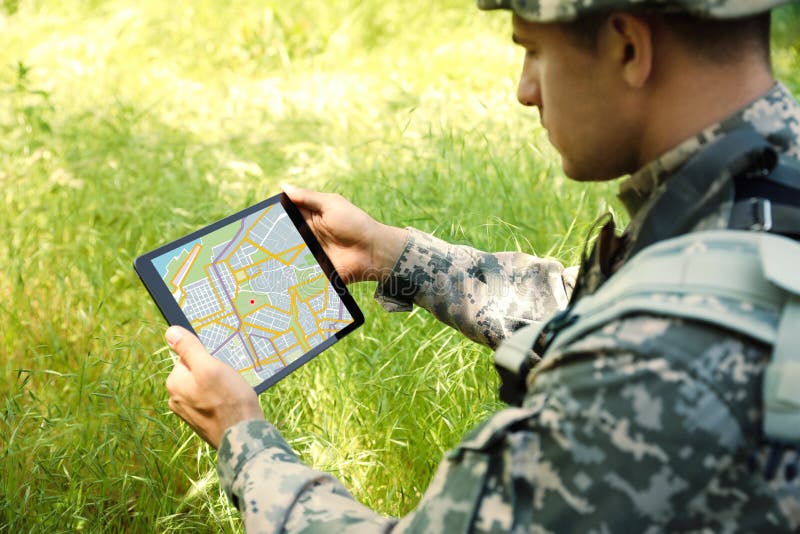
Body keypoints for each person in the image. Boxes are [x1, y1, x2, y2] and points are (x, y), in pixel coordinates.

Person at [164, 0, 800, 531]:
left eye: (534, 51)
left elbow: (640, 334)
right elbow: (599, 307)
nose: (526, 91)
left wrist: (242, 439)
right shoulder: (763, 182)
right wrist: (394, 255)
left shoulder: (647, 367)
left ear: (629, 47)